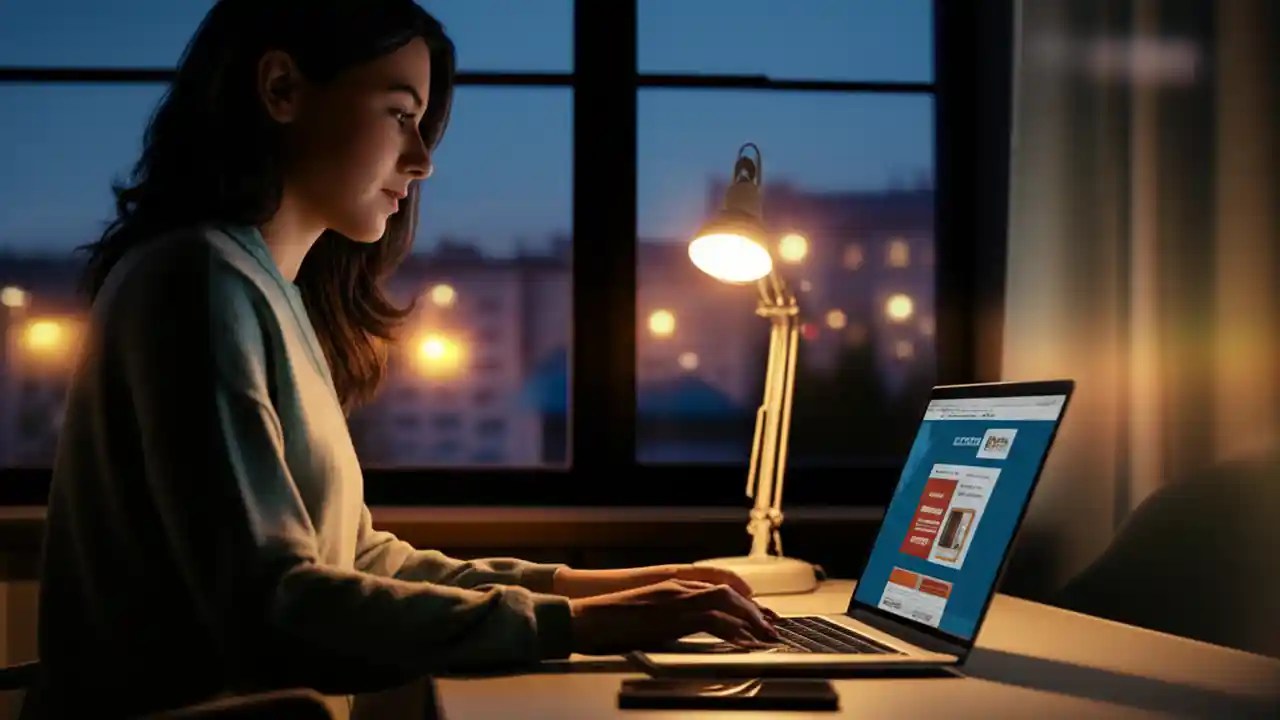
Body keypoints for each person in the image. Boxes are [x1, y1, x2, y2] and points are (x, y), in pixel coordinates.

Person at [22, 1, 781, 717]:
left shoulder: (259, 290)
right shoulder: (196, 283)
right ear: (281, 88)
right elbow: (275, 605)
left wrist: (606, 589)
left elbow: (356, 559)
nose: (422, 161)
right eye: (400, 116)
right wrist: (575, 624)